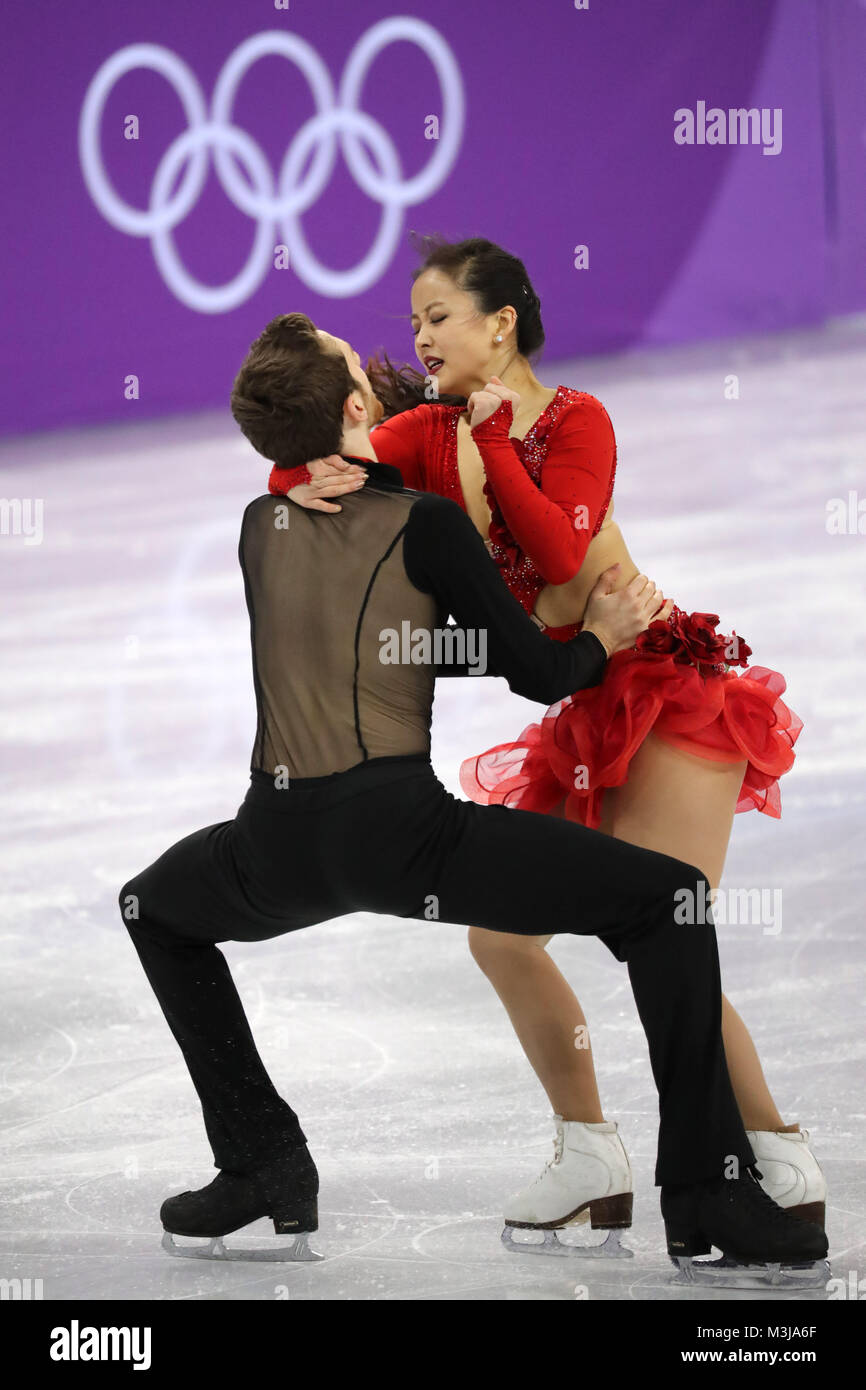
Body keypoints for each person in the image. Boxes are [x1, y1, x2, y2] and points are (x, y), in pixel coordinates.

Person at [117, 312, 828, 1284]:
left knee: (152, 909)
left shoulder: (261, 524)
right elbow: (530, 670)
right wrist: (604, 638)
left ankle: (261, 1160)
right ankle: (706, 1194)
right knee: (667, 902)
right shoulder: (424, 523)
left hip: (274, 846)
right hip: (406, 842)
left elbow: (388, 631)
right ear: (362, 404)